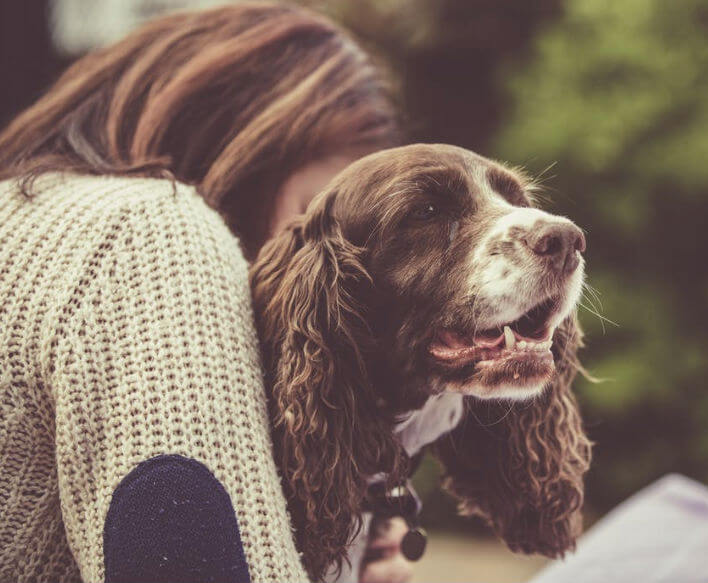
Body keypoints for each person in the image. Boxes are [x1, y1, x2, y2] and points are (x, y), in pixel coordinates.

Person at [0, 3, 414, 582]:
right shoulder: (149, 233)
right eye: (309, 219)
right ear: (241, 151)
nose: (327, 276)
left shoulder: (26, 216)